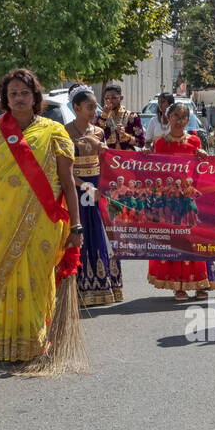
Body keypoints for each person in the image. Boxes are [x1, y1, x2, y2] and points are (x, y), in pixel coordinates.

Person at [0, 67, 82, 363]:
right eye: (12, 93)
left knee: (36, 279)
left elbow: (68, 182)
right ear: (4, 97)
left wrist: (77, 226)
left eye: (24, 93)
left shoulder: (54, 132)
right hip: (1, 219)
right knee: (3, 277)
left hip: (44, 220)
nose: (18, 98)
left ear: (35, 97)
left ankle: (35, 340)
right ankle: (4, 342)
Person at [147, 102, 215, 301]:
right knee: (176, 240)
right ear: (168, 118)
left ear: (188, 119)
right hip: (171, 201)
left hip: (189, 199)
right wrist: (145, 157)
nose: (179, 121)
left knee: (195, 239)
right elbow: (154, 171)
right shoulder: (160, 144)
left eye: (183, 117)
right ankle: (178, 286)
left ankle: (201, 283)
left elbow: (202, 171)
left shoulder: (195, 142)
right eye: (176, 117)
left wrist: (203, 156)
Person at [66, 85, 123, 306]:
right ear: (76, 108)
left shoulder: (99, 132)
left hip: (98, 190)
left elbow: (108, 163)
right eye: (89, 107)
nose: (93, 111)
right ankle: (78, 289)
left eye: (94, 107)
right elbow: (65, 170)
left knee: (101, 234)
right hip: (77, 189)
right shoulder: (65, 132)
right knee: (81, 233)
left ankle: (103, 285)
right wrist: (85, 187)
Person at [97, 82, 145, 150]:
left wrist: (125, 136)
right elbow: (96, 137)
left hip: (127, 158)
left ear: (121, 98)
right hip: (109, 157)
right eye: (107, 98)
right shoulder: (102, 117)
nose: (110, 101)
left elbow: (141, 143)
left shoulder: (132, 117)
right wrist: (104, 115)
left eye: (113, 98)